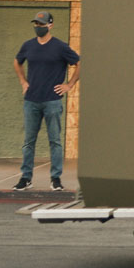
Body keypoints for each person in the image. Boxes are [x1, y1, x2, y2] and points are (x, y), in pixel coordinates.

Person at [12, 10, 81, 191]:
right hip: (31, 101)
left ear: (50, 25)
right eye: (36, 24)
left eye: (42, 24)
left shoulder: (60, 47)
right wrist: (23, 81)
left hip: (52, 101)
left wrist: (69, 85)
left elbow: (80, 63)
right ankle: (26, 178)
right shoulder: (28, 46)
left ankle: (55, 178)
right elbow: (17, 62)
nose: (38, 27)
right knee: (29, 141)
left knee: (55, 141)